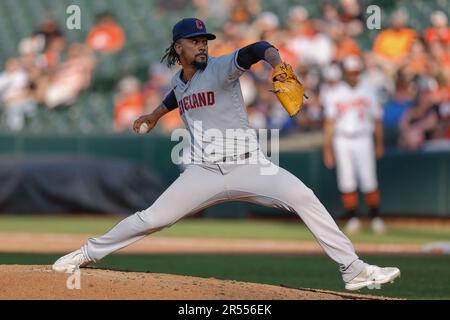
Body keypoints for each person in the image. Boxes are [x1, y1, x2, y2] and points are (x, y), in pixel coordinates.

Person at [52, 18, 400, 291]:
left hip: (250, 165)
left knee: (304, 197)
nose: (203, 45)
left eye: (205, 40)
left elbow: (257, 48)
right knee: (152, 219)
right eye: (195, 41)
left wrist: (276, 61)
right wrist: (154, 115)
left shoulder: (221, 67)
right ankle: (86, 253)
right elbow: (177, 95)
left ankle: (353, 270)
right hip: (202, 172)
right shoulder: (178, 80)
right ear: (178, 47)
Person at [321, 56, 386, 234]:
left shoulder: (368, 91)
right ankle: (353, 218)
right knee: (346, 180)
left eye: (356, 72)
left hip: (364, 137)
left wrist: (379, 143)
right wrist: (327, 149)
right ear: (344, 73)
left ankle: (375, 217)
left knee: (369, 179)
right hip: (341, 139)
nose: (353, 76)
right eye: (350, 72)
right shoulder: (334, 93)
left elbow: (377, 120)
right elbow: (329, 123)